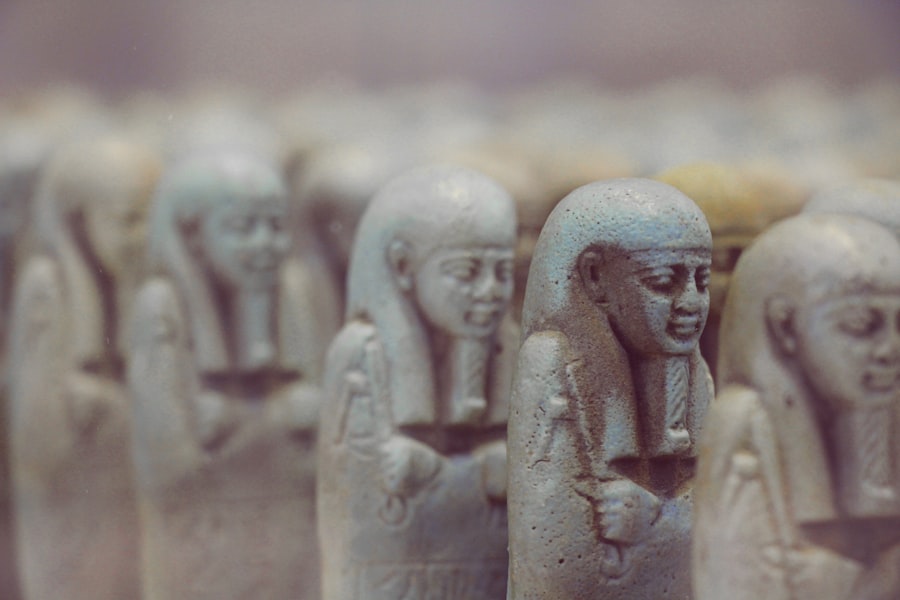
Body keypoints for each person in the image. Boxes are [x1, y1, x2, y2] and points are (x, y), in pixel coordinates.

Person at [128, 152, 337, 600]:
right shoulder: (160, 307)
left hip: (284, 548)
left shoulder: (293, 291)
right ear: (193, 237)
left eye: (276, 226)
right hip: (199, 552)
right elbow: (171, 470)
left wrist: (234, 425)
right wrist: (277, 419)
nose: (266, 244)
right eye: (243, 227)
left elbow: (320, 458)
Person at [317, 165, 518, 600]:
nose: (490, 290)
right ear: (403, 267)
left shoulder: (509, 350)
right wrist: (479, 471)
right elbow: (371, 505)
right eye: (466, 272)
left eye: (503, 272)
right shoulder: (362, 353)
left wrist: (437, 473)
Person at [507, 178, 713, 600]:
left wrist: (659, 520)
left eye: (702, 280)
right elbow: (553, 564)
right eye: (663, 281)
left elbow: (730, 528)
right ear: (595, 278)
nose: (691, 302)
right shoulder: (552, 365)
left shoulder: (698, 378)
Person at [694, 213, 900, 600]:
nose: (890, 349)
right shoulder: (746, 425)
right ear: (785, 327)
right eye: (861, 325)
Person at [8, 136, 160, 600]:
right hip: (71, 517)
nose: (142, 238)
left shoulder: (145, 293)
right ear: (77, 222)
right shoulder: (46, 287)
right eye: (127, 220)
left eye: (151, 219)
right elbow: (41, 435)